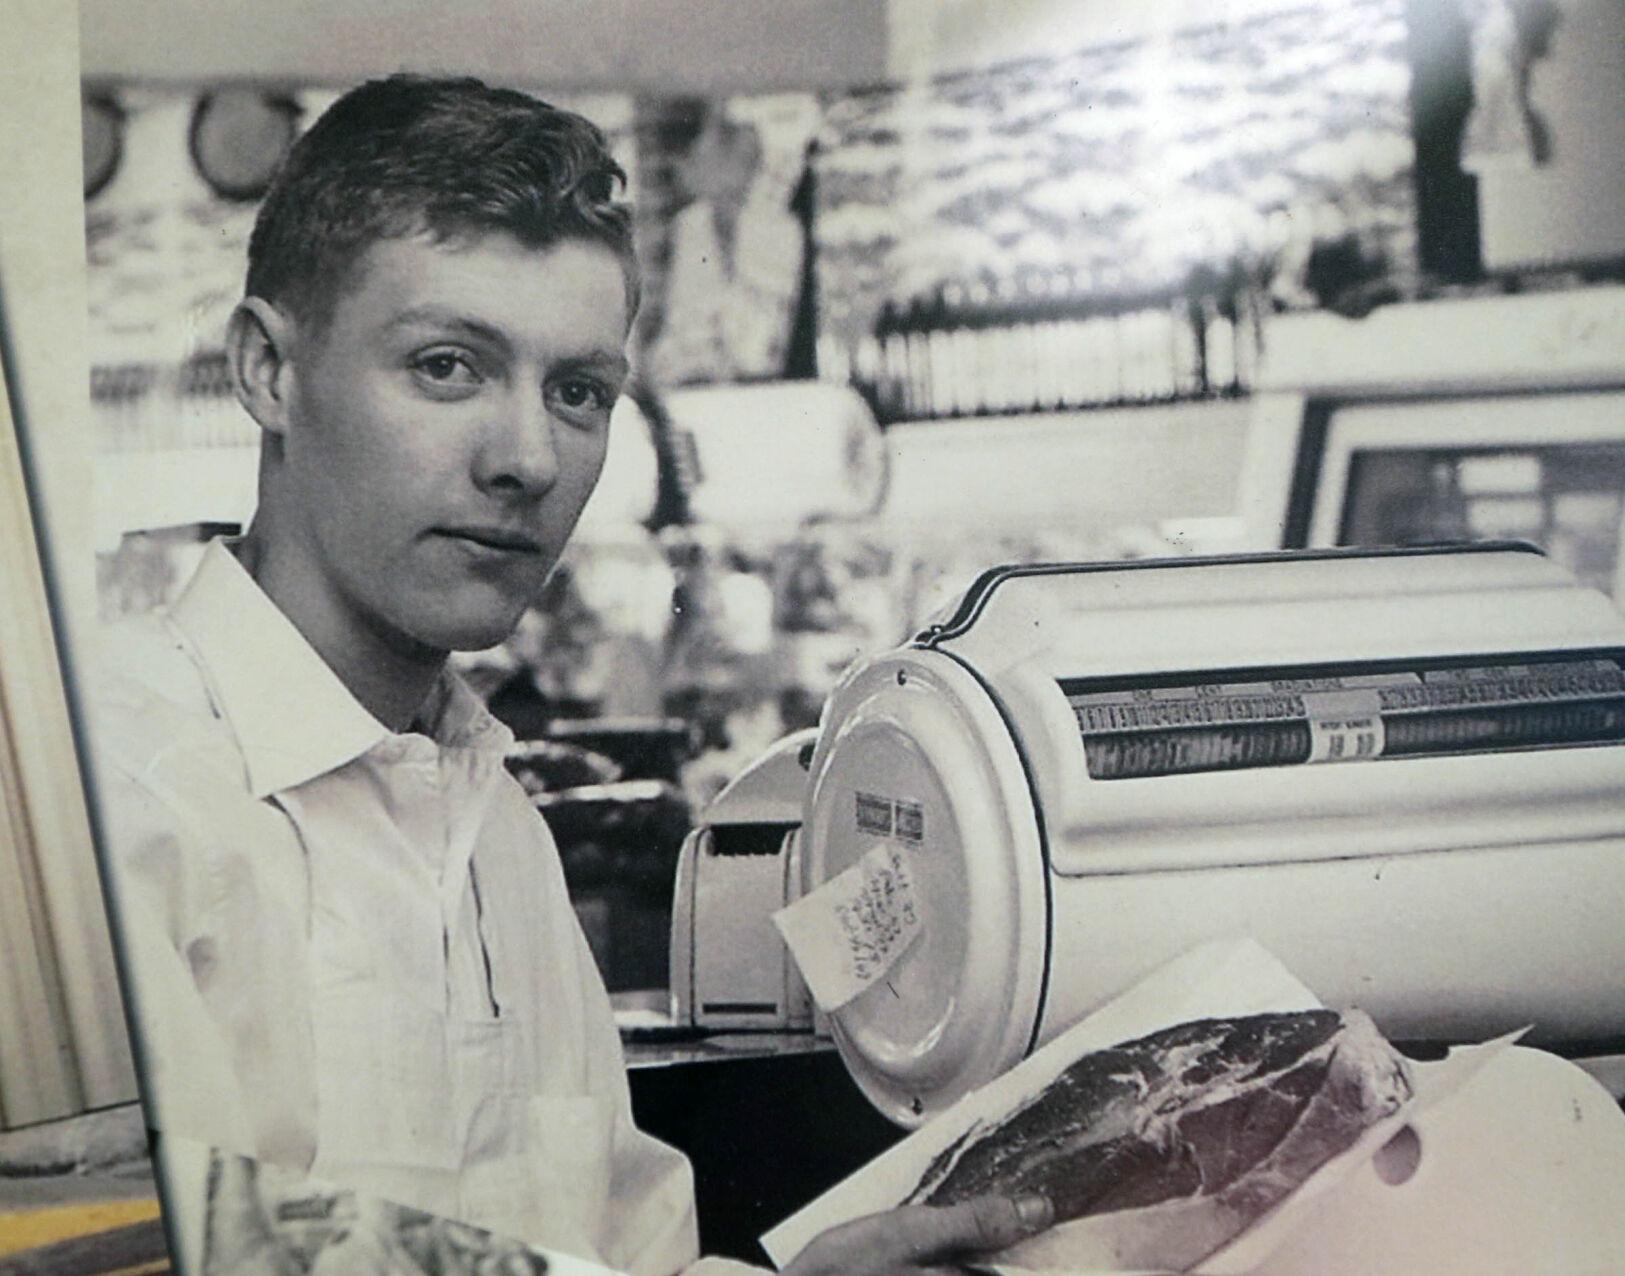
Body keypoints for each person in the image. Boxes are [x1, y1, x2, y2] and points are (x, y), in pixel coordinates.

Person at [91, 76, 1053, 1275]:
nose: (529, 458)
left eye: (579, 391)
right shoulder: (107, 801)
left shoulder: (494, 822)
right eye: (446, 366)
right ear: (267, 371)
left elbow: (616, 1252)